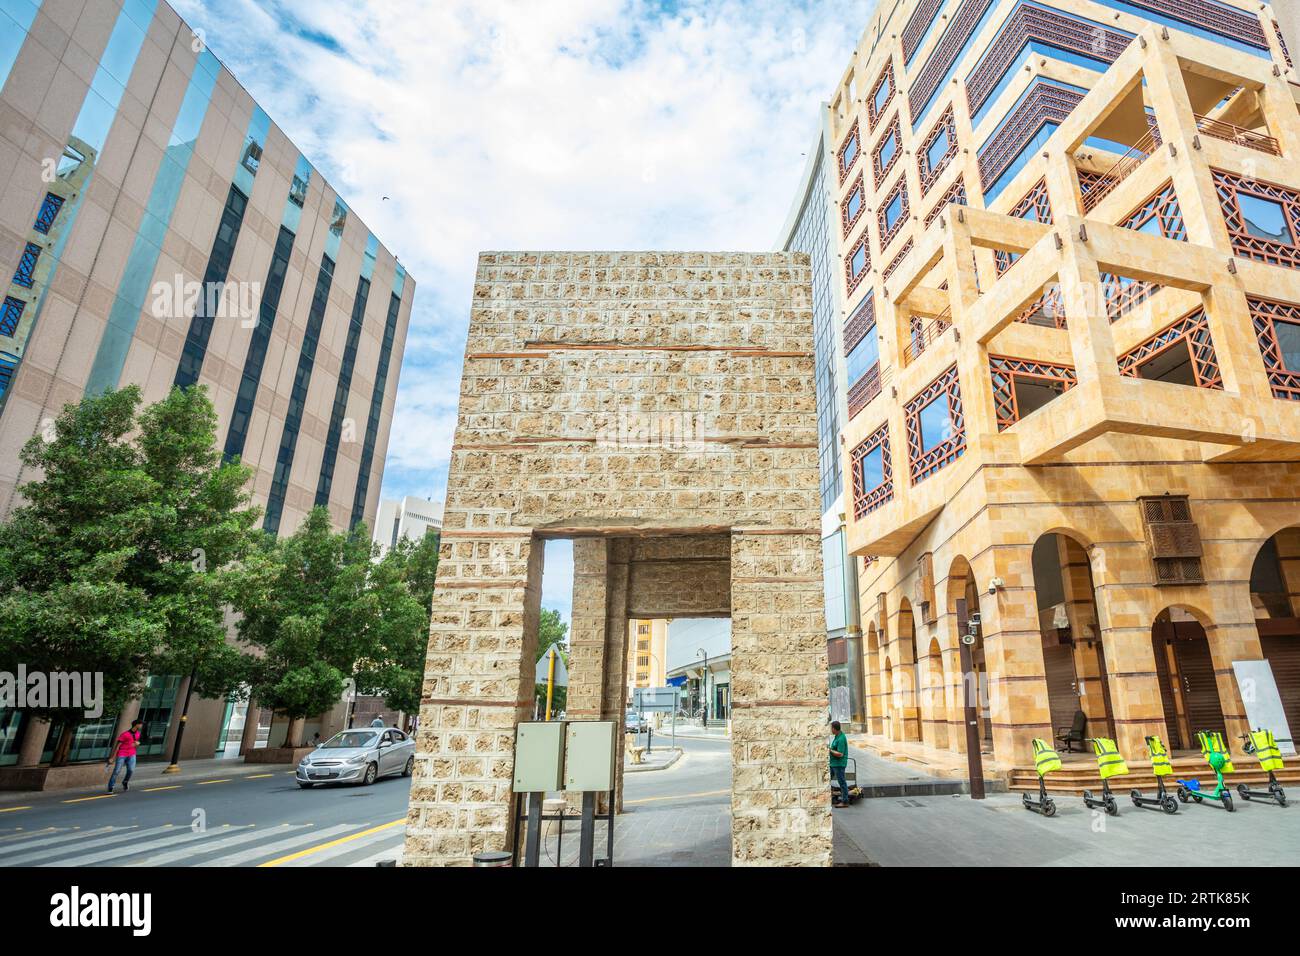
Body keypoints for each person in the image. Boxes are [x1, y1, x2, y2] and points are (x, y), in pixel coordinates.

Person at [106, 719, 143, 793]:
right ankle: (111, 787)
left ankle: (125, 782)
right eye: (141, 724)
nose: (142, 726)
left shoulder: (138, 734)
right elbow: (117, 746)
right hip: (122, 754)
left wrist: (137, 744)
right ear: (136, 725)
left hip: (132, 754)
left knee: (131, 770)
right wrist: (112, 757)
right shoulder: (125, 734)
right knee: (116, 771)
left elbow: (135, 744)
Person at [829, 720, 850, 808]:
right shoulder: (837, 736)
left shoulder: (841, 738)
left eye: (831, 728)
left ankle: (845, 801)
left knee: (842, 782)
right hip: (833, 763)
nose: (831, 729)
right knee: (827, 779)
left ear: (834, 729)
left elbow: (840, 754)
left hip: (839, 764)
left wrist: (829, 750)